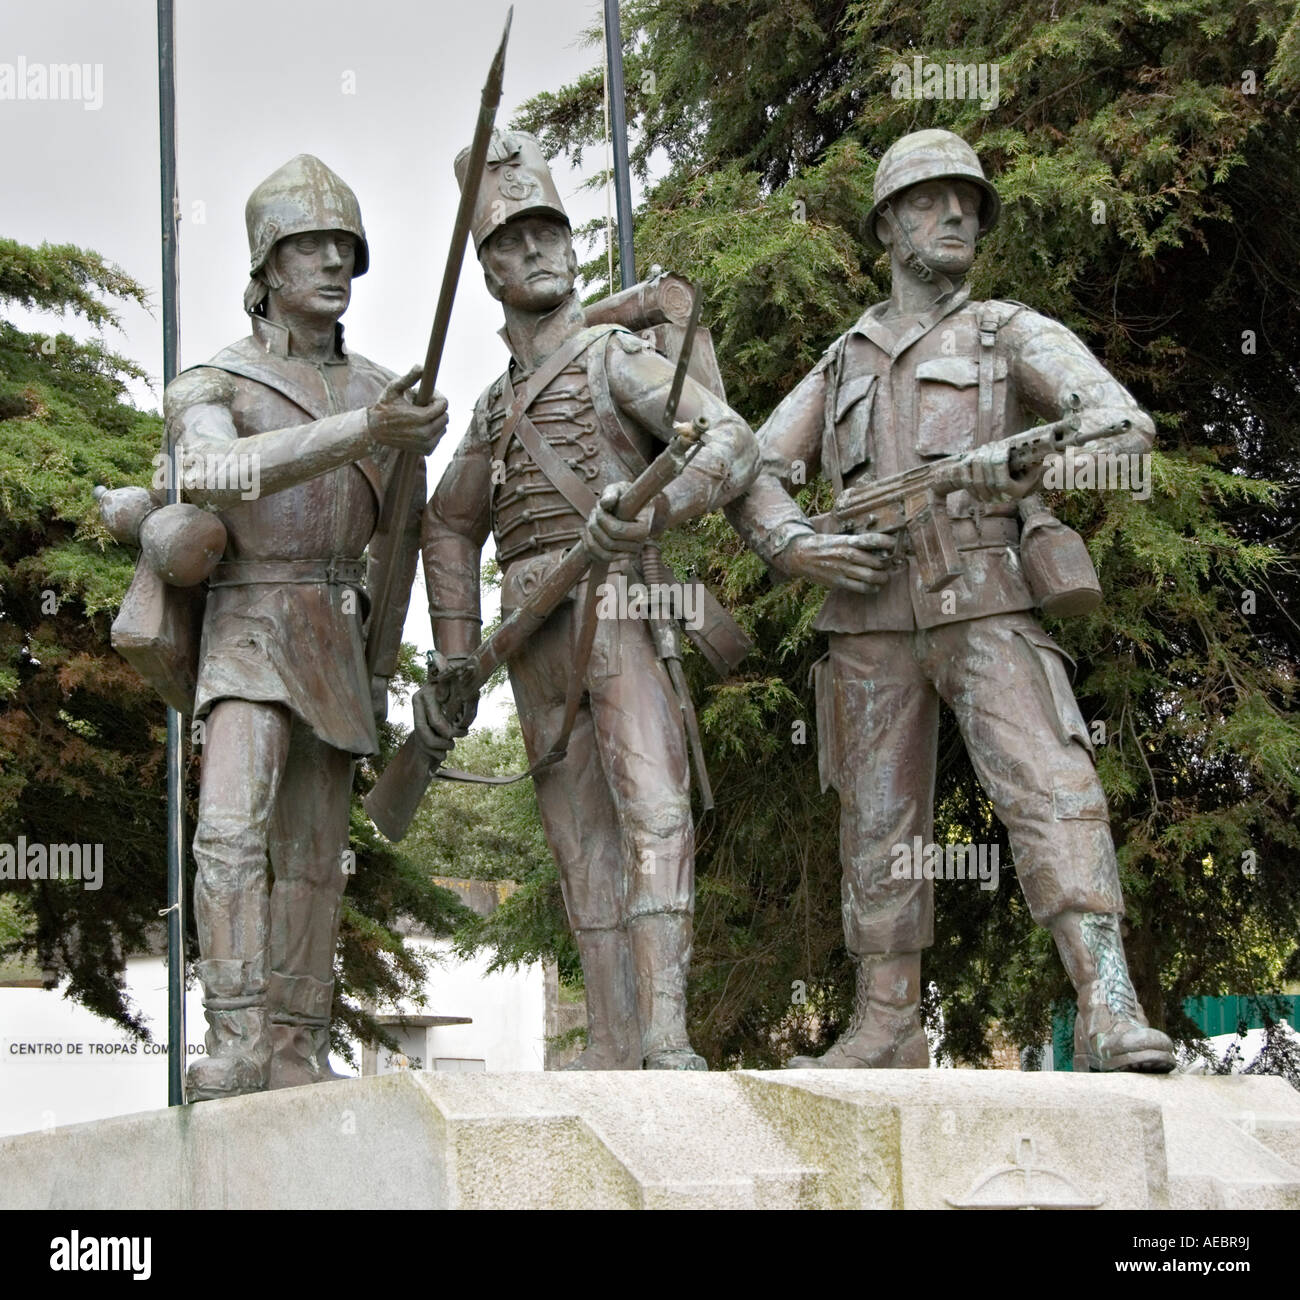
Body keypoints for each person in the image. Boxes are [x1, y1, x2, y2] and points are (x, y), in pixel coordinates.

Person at [726, 129, 1176, 1073]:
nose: (958, 215)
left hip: (985, 593)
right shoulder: (844, 359)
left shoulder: (1009, 331)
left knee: (1052, 790)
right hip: (867, 615)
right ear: (888, 224)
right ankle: (885, 1027)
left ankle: (1107, 1003)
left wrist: (1029, 460)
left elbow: (1127, 432)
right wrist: (797, 547)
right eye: (932, 201)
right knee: (877, 821)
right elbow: (754, 466)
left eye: (968, 202)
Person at [416, 131, 759, 1069]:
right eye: (515, 241)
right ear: (487, 270)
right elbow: (447, 525)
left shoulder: (615, 356)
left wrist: (656, 519)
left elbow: (727, 439)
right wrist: (454, 652)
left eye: (551, 234)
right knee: (577, 843)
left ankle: (666, 1038)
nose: (540, 252)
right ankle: (612, 1046)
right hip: (529, 632)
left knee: (655, 807)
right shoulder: (491, 406)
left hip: (621, 604)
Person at [163, 155, 447, 1099]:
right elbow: (209, 474)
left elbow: (400, 542)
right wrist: (365, 433)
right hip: (249, 617)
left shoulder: (380, 385)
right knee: (229, 832)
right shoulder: (214, 378)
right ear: (267, 265)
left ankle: (296, 1044)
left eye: (344, 247)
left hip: (337, 624)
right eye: (309, 246)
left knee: (317, 859)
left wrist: (386, 664)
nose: (332, 261)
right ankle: (237, 1038)